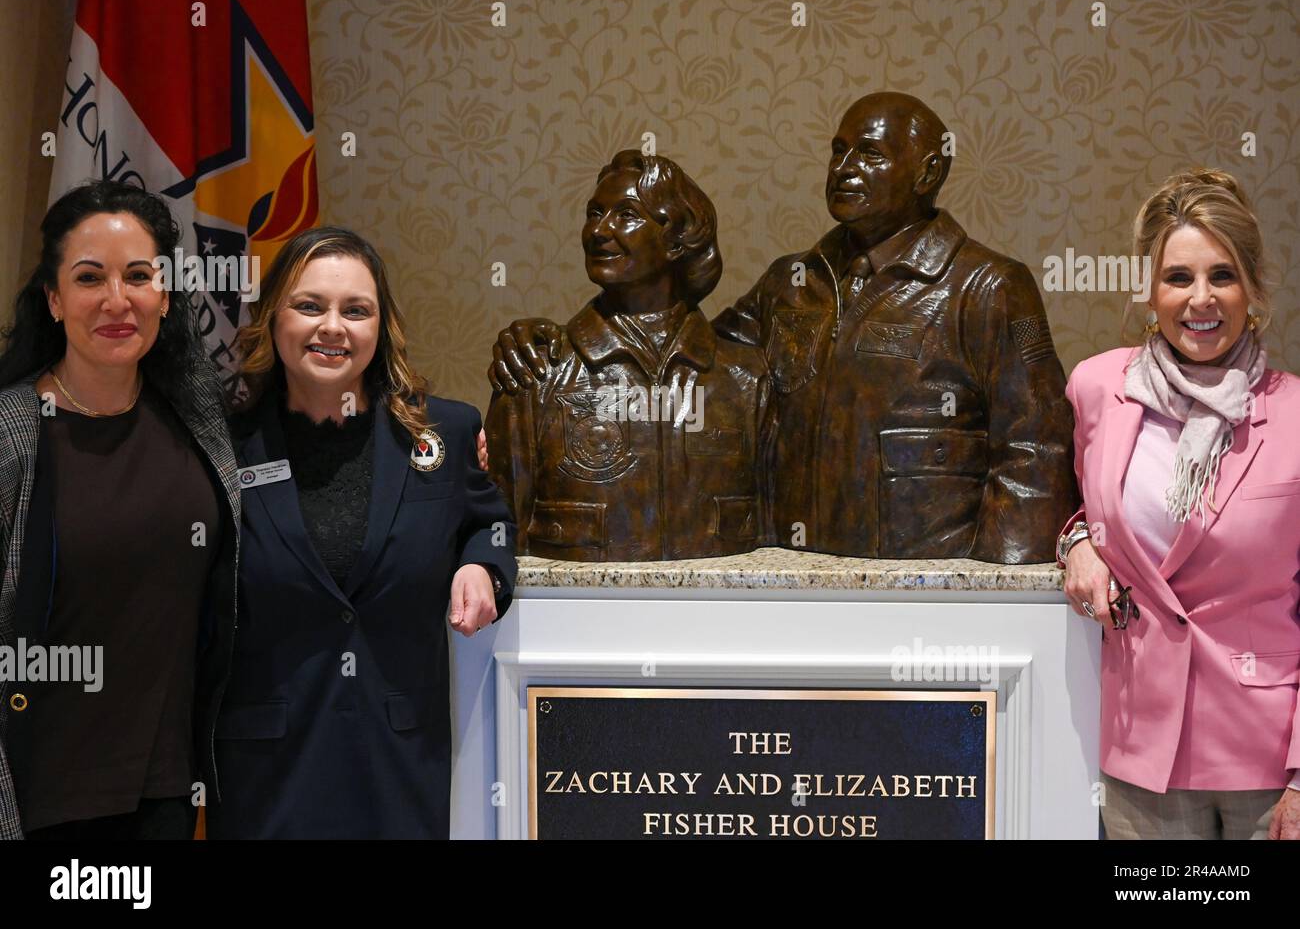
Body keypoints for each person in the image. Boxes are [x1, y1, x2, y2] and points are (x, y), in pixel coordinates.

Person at [488, 93, 1076, 562]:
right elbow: (690, 359)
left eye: (869, 155)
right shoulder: (793, 281)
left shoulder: (988, 285)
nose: (845, 169)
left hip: (930, 575)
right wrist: (549, 341)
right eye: (838, 152)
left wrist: (1000, 591)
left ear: (928, 171)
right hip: (801, 570)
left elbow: (1036, 446)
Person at [207, 226, 516, 839]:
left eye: (356, 310)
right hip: (266, 770)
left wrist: (482, 568)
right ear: (273, 318)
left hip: (398, 760)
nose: (333, 327)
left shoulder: (444, 432)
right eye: (309, 305)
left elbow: (490, 525)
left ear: (381, 327)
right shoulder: (222, 438)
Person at [1060, 168, 1300, 840]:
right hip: (1142, 753)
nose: (1201, 300)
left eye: (1222, 276)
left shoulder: (1295, 411)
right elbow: (1084, 506)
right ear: (1149, 291)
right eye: (1178, 278)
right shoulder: (1097, 387)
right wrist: (1075, 544)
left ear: (1253, 290)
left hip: (1266, 763)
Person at [0, 181, 241, 840]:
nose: (116, 299)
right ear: (52, 298)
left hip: (164, 794)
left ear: (165, 294)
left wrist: (451, 447)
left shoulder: (201, 428)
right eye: (88, 278)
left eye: (139, 275)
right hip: (34, 803)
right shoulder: (11, 435)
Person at [485, 150, 768, 561]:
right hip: (571, 622)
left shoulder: (745, 380)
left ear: (677, 238)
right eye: (594, 213)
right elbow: (497, 539)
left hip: (719, 622)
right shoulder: (538, 373)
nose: (599, 230)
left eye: (627, 214)